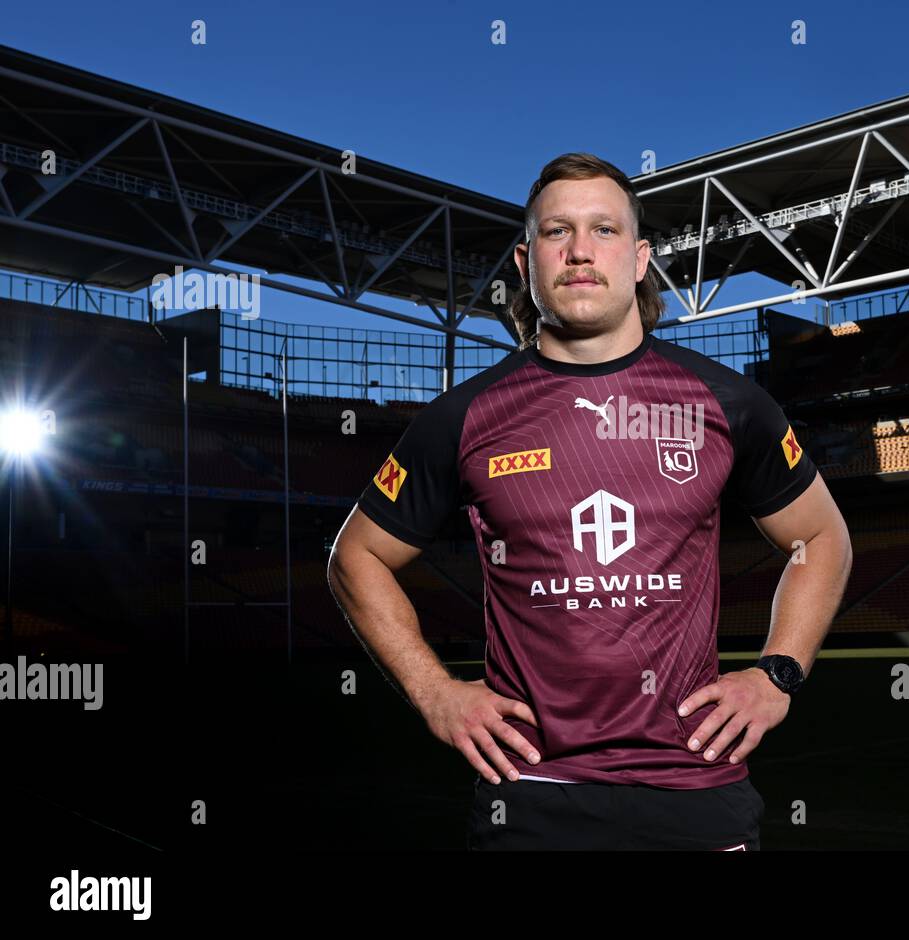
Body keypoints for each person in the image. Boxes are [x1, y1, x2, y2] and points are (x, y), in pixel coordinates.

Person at [328, 152, 852, 850]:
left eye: (603, 229)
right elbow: (356, 555)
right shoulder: (463, 418)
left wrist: (777, 673)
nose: (579, 250)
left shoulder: (728, 403)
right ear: (525, 261)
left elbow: (821, 536)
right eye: (556, 232)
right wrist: (435, 693)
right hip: (533, 799)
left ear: (639, 260)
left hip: (696, 790)